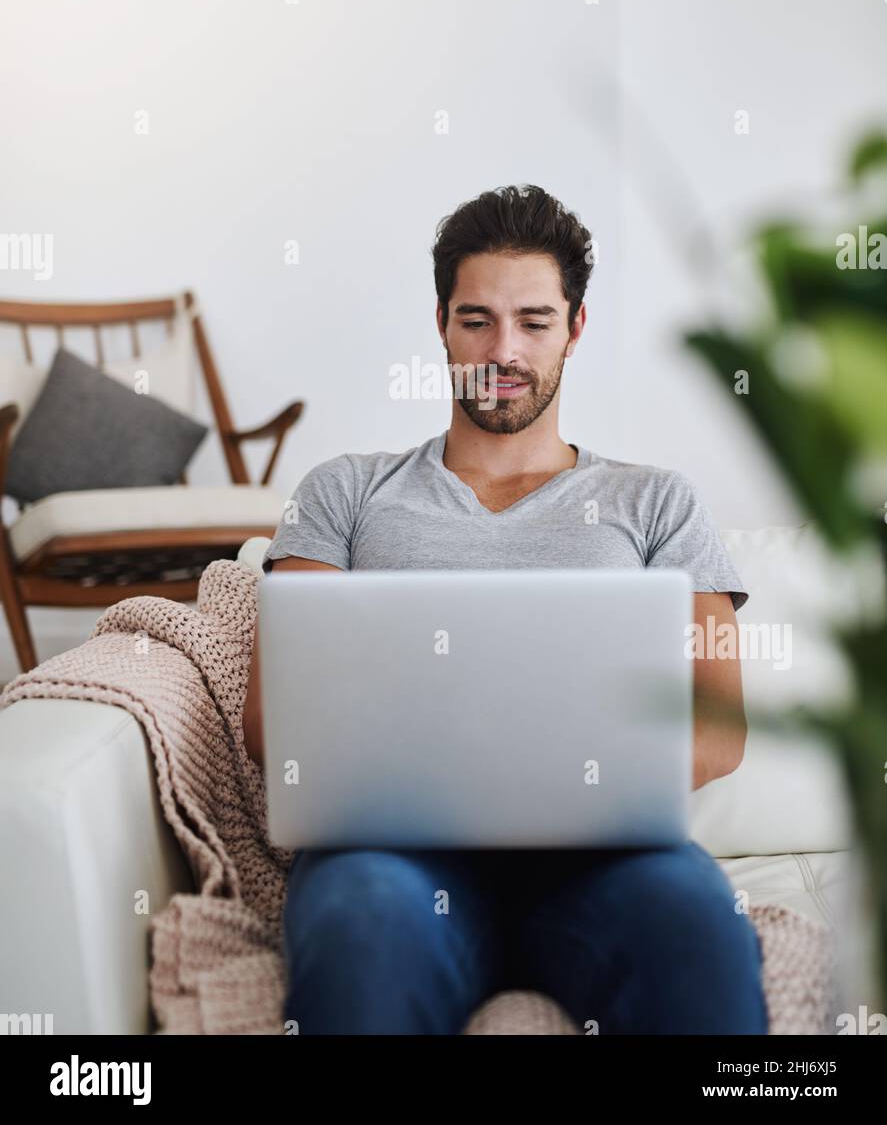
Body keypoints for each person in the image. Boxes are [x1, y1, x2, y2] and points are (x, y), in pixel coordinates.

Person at [243, 183, 768, 1035]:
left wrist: (566, 784)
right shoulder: (342, 493)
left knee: (697, 932)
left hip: (610, 859)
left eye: (533, 320)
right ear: (441, 326)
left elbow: (717, 731)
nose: (503, 349)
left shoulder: (658, 504)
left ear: (575, 327)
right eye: (476, 319)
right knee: (361, 933)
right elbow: (279, 719)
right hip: (392, 859)